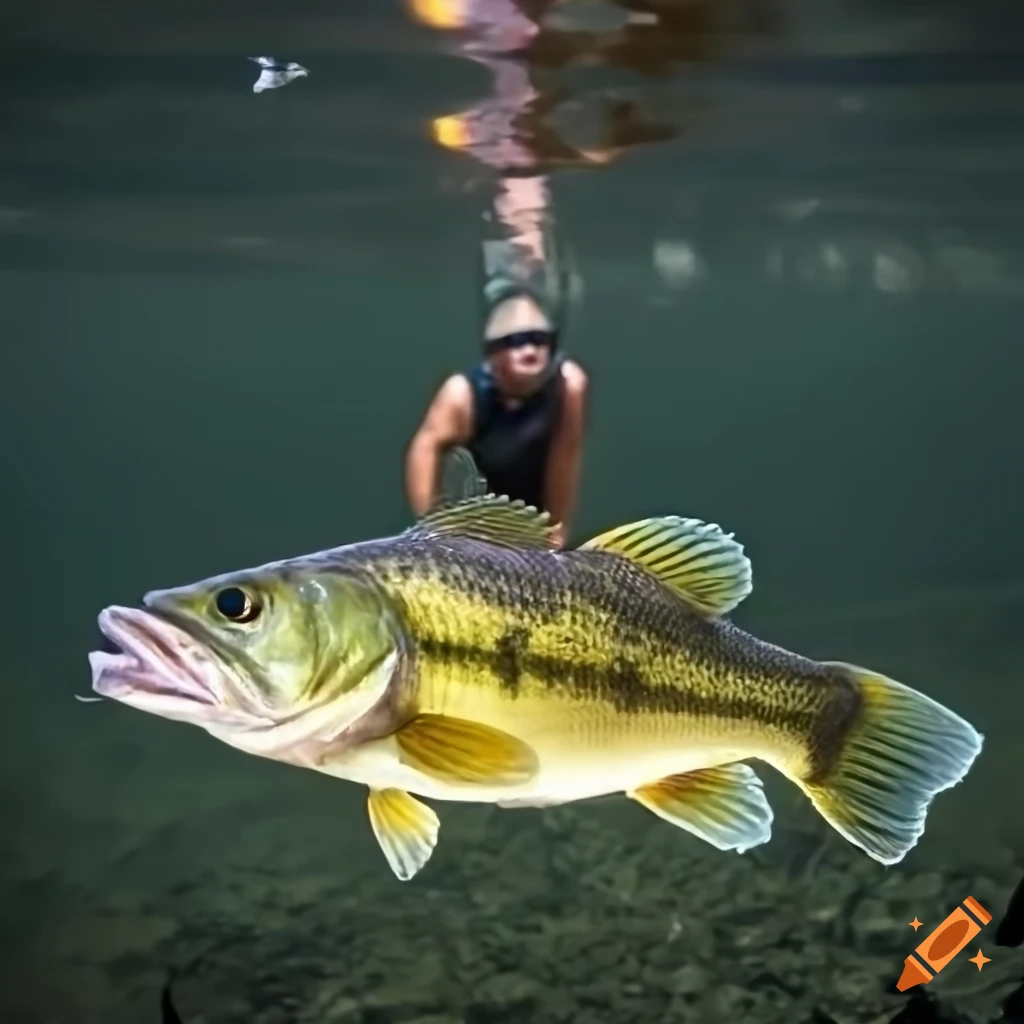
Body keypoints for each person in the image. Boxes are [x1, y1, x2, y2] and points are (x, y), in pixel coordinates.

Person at [404, 256, 589, 549]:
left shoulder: (569, 385)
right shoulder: (461, 394)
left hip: (532, 522)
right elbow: (424, 450)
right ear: (493, 352)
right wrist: (431, 528)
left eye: (539, 339)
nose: (530, 351)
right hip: (471, 522)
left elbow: (564, 457)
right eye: (516, 341)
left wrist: (556, 531)